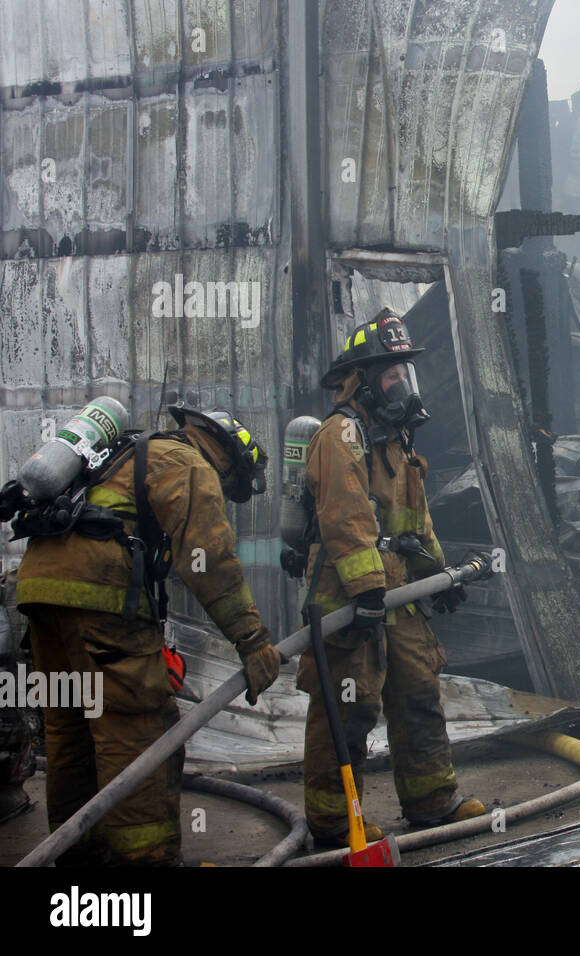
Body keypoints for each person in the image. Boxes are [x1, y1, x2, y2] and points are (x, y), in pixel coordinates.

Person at [13, 405, 281, 866]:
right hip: (99, 597)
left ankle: (78, 854)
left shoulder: (124, 454)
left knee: (71, 728)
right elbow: (207, 560)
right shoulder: (188, 464)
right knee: (138, 727)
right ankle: (146, 858)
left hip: (40, 592)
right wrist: (252, 639)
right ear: (228, 458)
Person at [298, 307, 484, 847]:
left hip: (400, 589)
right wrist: (366, 591)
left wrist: (441, 575)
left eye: (406, 373)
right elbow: (345, 518)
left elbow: (413, 524)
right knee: (349, 705)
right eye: (391, 374)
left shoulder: (397, 442)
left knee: (419, 689)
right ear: (363, 381)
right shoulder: (342, 436)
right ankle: (335, 824)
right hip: (349, 596)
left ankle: (432, 801)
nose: (403, 382)